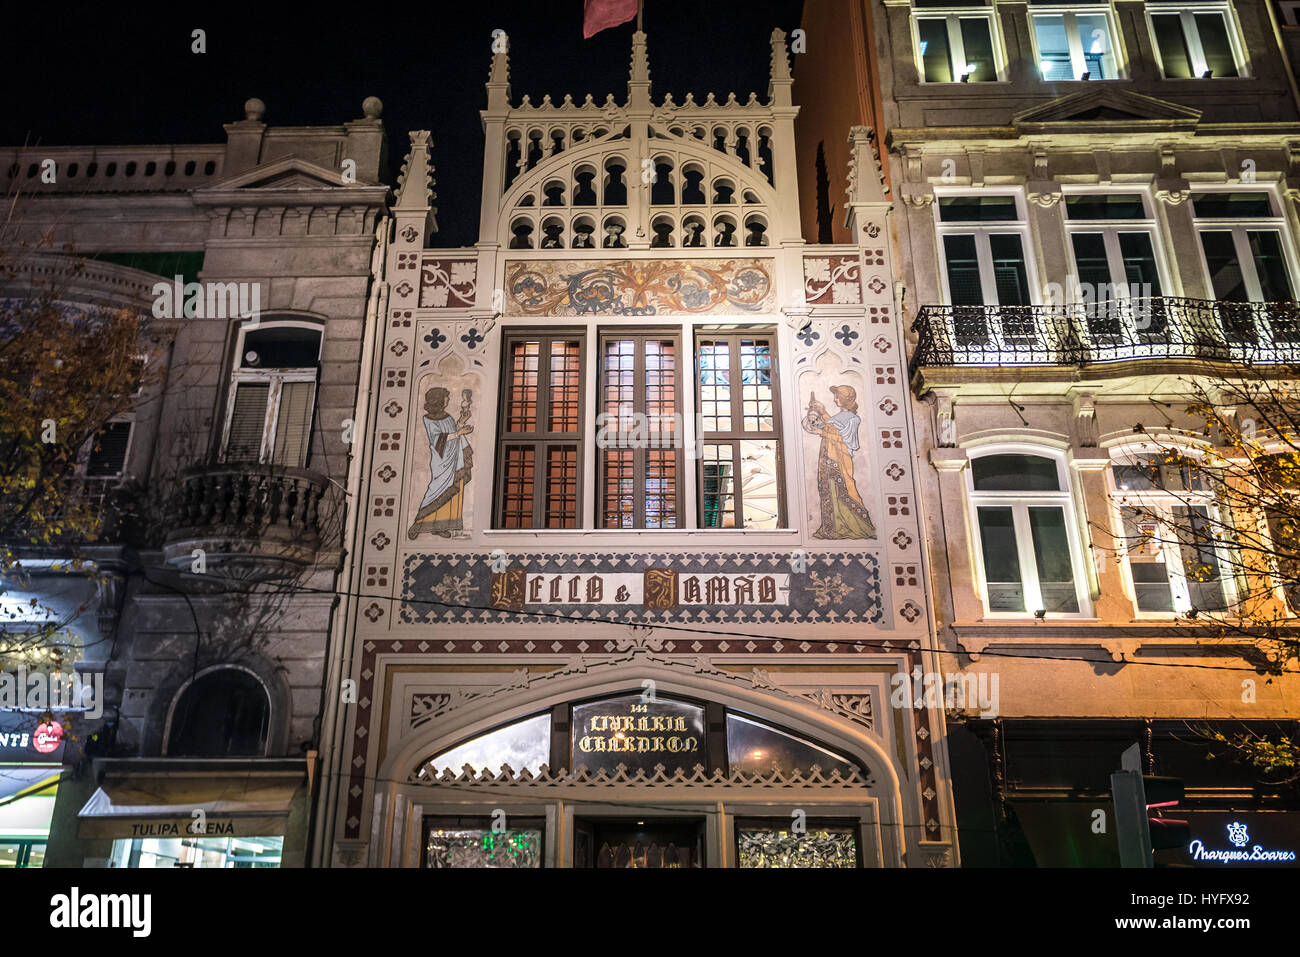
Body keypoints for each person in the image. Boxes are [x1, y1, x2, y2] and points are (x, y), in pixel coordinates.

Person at [802, 385, 876, 539]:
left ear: (846, 399)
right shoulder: (837, 417)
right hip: (827, 458)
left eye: (838, 396)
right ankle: (831, 528)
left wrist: (823, 432)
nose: (835, 399)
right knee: (828, 491)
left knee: (843, 490)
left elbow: (847, 442)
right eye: (835, 396)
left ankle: (855, 527)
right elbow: (830, 426)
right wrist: (820, 413)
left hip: (840, 460)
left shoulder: (853, 419)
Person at [408, 387, 473, 538]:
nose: (448, 400)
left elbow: (452, 430)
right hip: (442, 461)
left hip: (454, 459)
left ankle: (441, 525)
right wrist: (459, 433)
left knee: (454, 490)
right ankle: (418, 523)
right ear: (438, 400)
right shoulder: (428, 419)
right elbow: (437, 440)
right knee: (436, 490)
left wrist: (461, 423)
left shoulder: (448, 417)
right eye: (445, 397)